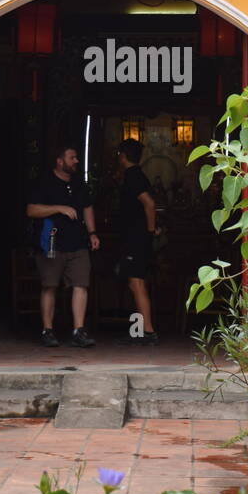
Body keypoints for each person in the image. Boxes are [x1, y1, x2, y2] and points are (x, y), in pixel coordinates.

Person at [25, 145, 98, 348]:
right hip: (51, 243)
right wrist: (59, 208)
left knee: (81, 284)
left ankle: (78, 330)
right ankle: (47, 330)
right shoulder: (44, 182)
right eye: (72, 157)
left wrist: (93, 233)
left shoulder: (79, 183)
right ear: (60, 161)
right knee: (50, 286)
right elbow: (31, 210)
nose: (76, 161)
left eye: (76, 157)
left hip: (78, 242)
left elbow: (87, 207)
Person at [115, 138, 160, 345]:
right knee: (134, 283)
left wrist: (149, 233)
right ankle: (138, 330)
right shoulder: (132, 176)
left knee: (137, 282)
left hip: (137, 238)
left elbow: (149, 204)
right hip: (134, 237)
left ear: (123, 156)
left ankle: (147, 331)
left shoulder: (133, 176)